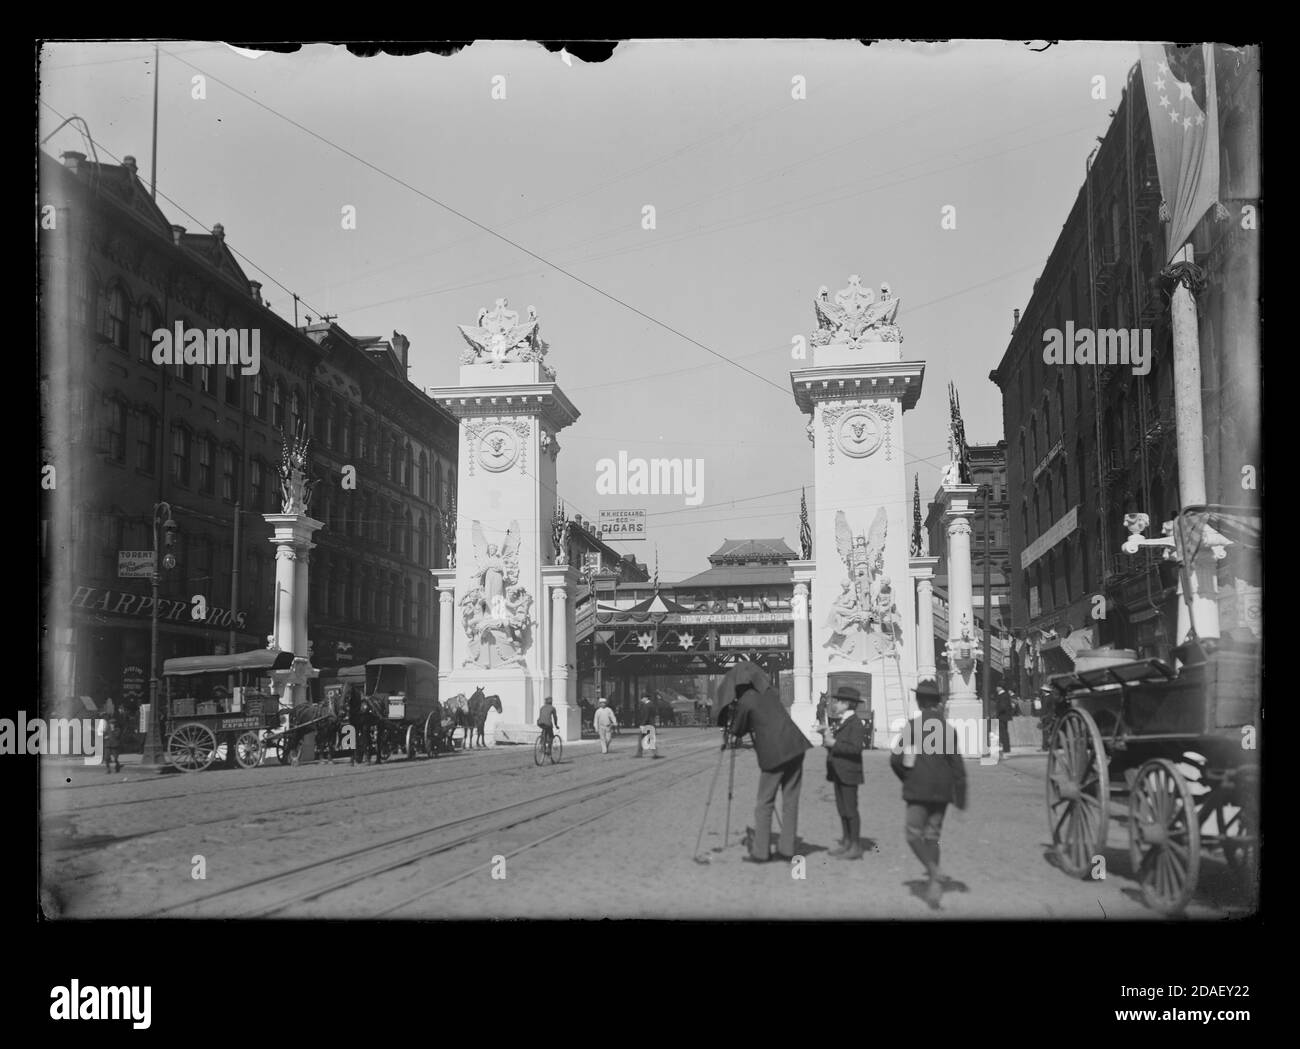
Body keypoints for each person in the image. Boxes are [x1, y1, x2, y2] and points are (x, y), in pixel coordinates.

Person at [890, 679, 967, 908]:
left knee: (913, 834)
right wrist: (960, 801)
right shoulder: (949, 729)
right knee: (932, 835)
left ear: (918, 701)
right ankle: (934, 885)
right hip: (943, 791)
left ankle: (934, 871)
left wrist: (907, 777)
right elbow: (958, 769)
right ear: (938, 702)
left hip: (918, 788)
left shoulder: (912, 726)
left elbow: (895, 759)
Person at [728, 663, 812, 863]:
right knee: (790, 801)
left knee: (764, 803)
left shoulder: (745, 700)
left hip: (774, 754)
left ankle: (761, 852)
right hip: (796, 745)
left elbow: (737, 730)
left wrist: (735, 716)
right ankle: (787, 849)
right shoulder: (770, 692)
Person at [818, 685, 866, 860]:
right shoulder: (844, 721)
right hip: (840, 771)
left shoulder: (855, 723)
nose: (835, 704)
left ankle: (855, 845)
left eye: (838, 701)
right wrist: (827, 737)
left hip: (849, 772)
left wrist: (833, 744)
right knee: (842, 809)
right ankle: (847, 842)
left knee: (851, 810)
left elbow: (855, 749)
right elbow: (837, 746)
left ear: (847, 704)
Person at [994, 684, 1015, 755]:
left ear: (1000, 687)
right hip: (1004, 716)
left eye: (997, 686)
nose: (996, 688)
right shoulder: (1005, 695)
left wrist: (997, 713)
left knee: (1003, 733)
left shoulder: (1002, 695)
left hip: (1002, 716)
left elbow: (1002, 706)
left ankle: (1006, 748)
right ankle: (1006, 748)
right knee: (1004, 732)